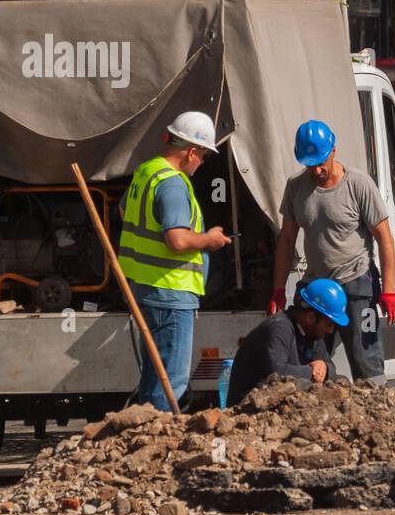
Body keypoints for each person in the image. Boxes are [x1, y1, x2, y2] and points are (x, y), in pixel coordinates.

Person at [270, 119, 395, 383]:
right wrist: (278, 288)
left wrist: (388, 290)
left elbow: (384, 239)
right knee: (308, 365)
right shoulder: (296, 187)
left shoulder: (358, 185)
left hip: (356, 286)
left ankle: (374, 415)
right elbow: (286, 239)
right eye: (310, 164)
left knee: (367, 363)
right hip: (316, 290)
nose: (317, 170)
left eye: (321, 162)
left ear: (333, 151)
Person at [118, 111, 232, 410]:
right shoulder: (173, 184)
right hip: (171, 292)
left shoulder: (147, 172)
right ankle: (157, 442)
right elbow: (178, 240)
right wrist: (209, 239)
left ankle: (144, 434)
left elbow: (124, 212)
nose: (201, 163)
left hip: (146, 287)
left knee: (154, 375)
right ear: (191, 151)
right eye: (203, 156)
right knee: (171, 379)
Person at [225, 279, 345, 405]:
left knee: (340, 382)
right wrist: (312, 372)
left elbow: (330, 367)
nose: (331, 330)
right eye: (329, 324)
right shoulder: (279, 327)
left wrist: (324, 366)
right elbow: (278, 373)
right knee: (304, 384)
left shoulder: (313, 333)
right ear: (311, 317)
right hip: (251, 404)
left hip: (281, 404)